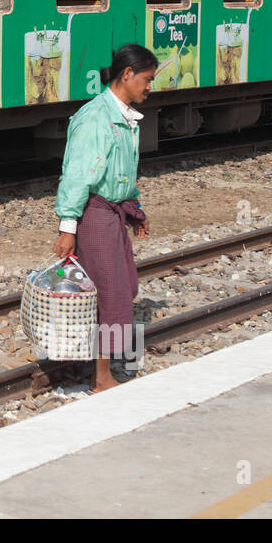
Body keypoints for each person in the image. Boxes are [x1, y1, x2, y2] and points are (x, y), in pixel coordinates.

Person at [51, 44, 157, 393]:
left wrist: (134, 211)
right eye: (146, 79)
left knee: (120, 288)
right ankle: (100, 377)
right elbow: (79, 175)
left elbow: (121, 172)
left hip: (110, 214)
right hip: (94, 217)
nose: (149, 87)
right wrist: (67, 227)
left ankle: (96, 367)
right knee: (108, 293)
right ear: (126, 75)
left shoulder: (120, 116)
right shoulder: (97, 118)